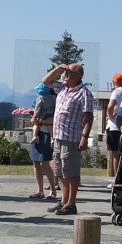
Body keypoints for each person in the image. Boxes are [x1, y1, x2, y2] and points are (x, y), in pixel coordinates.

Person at [43, 62, 95, 216]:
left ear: (77, 76)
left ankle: (71, 203)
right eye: (65, 72)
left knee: (71, 171)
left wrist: (84, 137)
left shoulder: (84, 93)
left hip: (71, 137)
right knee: (61, 171)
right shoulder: (63, 87)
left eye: (68, 72)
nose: (65, 74)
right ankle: (64, 201)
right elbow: (45, 81)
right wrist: (58, 68)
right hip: (58, 136)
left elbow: (88, 118)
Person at [28, 82, 59, 200]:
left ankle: (52, 190)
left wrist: (37, 120)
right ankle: (40, 190)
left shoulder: (41, 99)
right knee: (36, 162)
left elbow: (35, 118)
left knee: (44, 163)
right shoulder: (54, 99)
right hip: (45, 132)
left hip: (42, 133)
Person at [105, 72, 122, 182]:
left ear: (113, 82)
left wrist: (110, 115)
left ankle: (117, 180)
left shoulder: (116, 92)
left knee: (116, 155)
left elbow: (111, 105)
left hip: (114, 126)